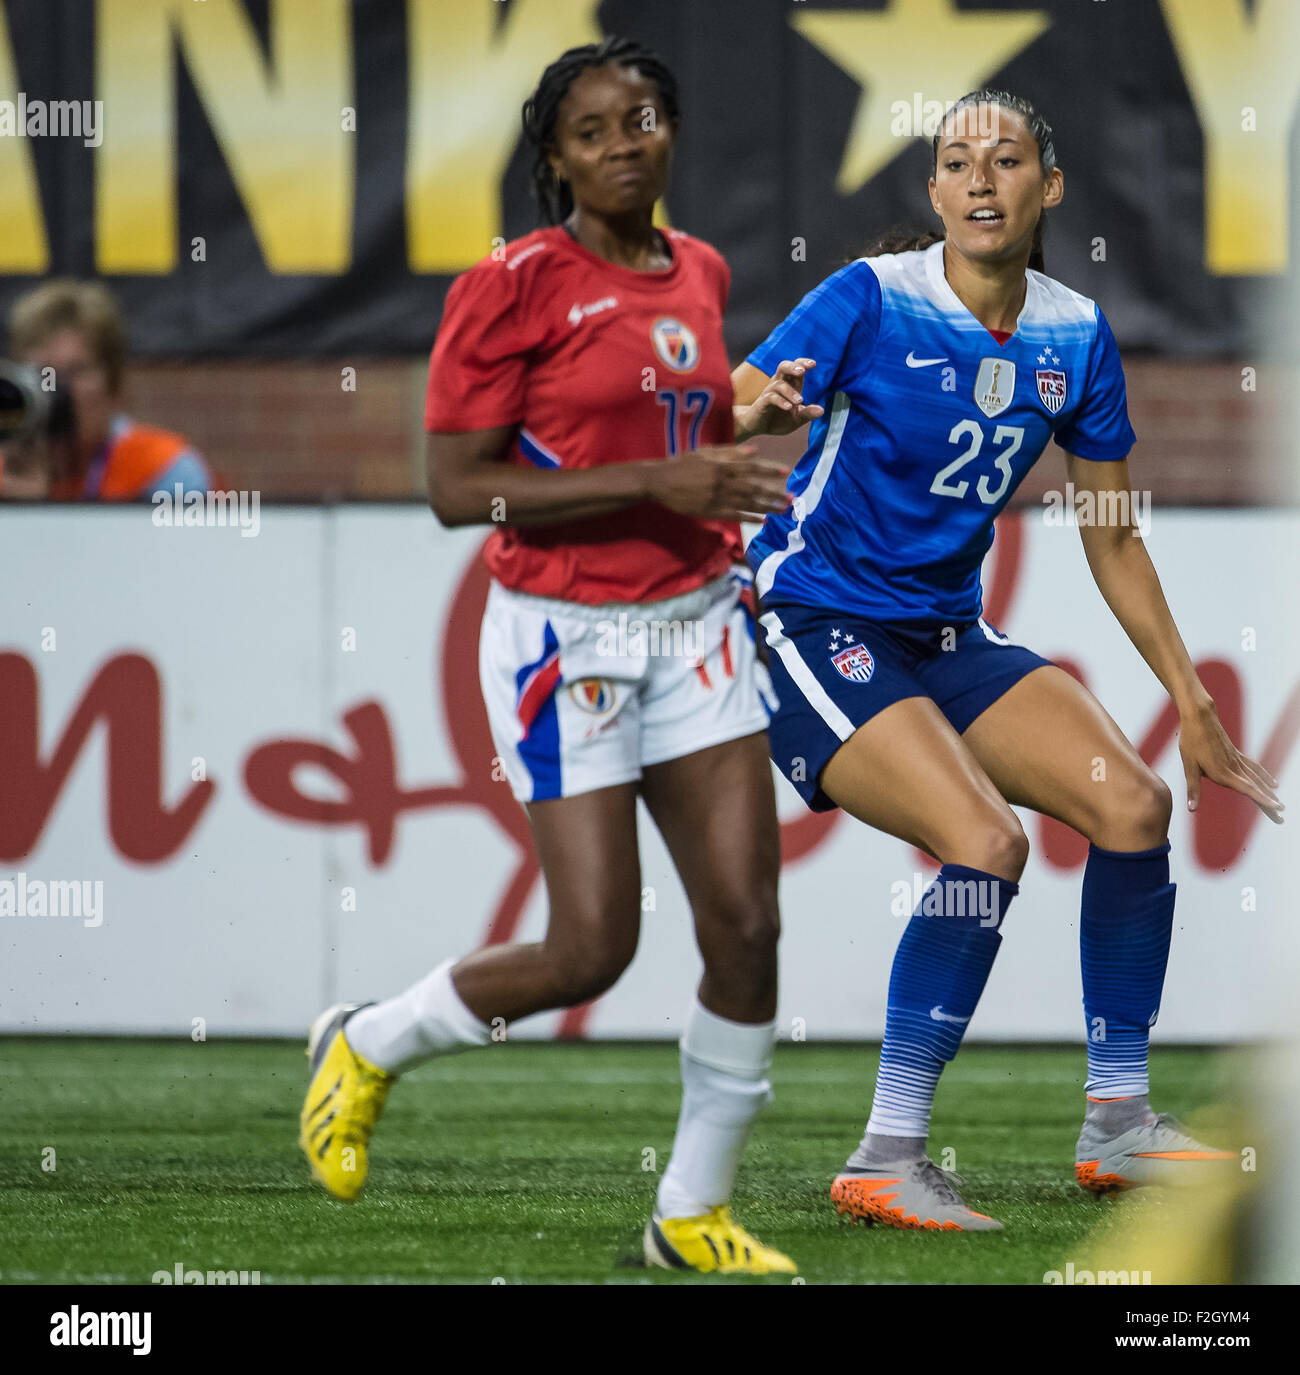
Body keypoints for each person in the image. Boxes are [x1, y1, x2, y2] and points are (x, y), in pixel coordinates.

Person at [731, 89, 1284, 1231]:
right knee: (986, 839)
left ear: (1050, 185)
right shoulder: (871, 300)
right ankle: (886, 1152)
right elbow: (730, 401)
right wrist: (758, 408)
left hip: (942, 633)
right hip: (810, 619)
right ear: (932, 194)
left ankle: (1118, 1125)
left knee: (1130, 807)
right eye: (955, 161)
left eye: (1007, 157)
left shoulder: (1073, 334)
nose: (980, 178)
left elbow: (1113, 532)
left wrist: (1188, 699)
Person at [298, 36, 806, 1275]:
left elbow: (665, 420)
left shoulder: (701, 269)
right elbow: (457, 490)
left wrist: (748, 420)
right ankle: (369, 1041)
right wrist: (666, 476)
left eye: (641, 118)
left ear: (669, 129)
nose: (623, 143)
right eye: (592, 131)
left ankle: (687, 1210)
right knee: (591, 948)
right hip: (560, 634)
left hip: (695, 623)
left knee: (745, 927)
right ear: (554, 159)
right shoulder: (512, 285)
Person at [7, 279, 211, 500]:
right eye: (44, 373)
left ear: (113, 381)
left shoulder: (162, 468)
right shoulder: (5, 470)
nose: (57, 389)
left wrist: (40, 510)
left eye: (74, 371)